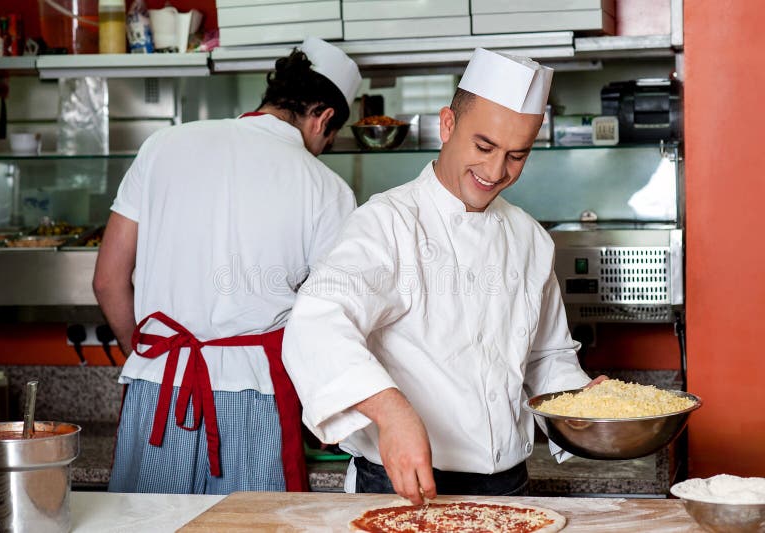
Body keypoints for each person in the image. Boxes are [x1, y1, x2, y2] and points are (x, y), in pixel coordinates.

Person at [282, 48, 601, 505]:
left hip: (507, 485)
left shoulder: (531, 238)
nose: (496, 171)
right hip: (403, 482)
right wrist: (390, 412)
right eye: (484, 147)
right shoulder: (388, 223)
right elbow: (316, 323)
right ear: (447, 125)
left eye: (517, 155)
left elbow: (545, 357)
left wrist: (582, 404)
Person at [93, 37, 361, 495]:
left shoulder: (162, 145)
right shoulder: (326, 187)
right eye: (328, 140)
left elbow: (107, 281)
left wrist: (148, 355)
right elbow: (333, 320)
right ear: (324, 118)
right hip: (255, 396)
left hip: (158, 387)